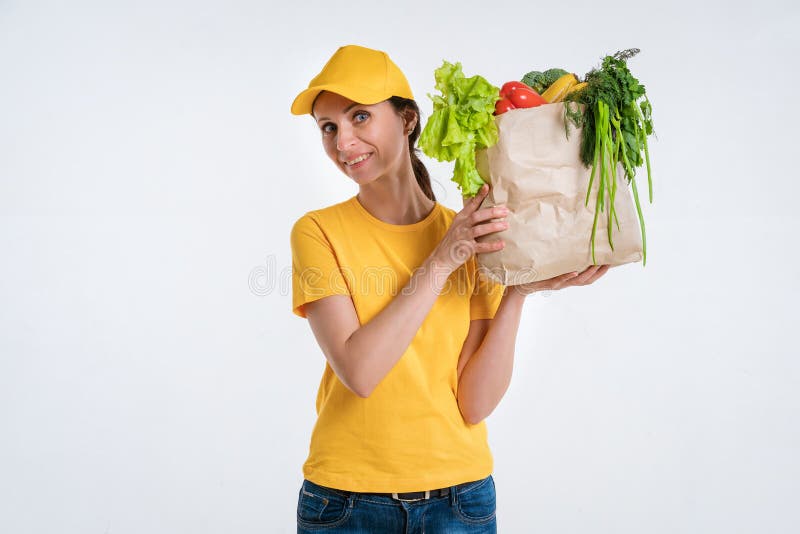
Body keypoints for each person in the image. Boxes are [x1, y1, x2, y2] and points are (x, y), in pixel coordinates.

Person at [289, 44, 609, 533]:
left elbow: (474, 404)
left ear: (407, 120)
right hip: (346, 505)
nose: (343, 142)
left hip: (460, 501)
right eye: (328, 127)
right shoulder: (317, 232)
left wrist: (518, 290)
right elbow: (360, 370)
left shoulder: (472, 234)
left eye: (359, 117)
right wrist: (444, 258)